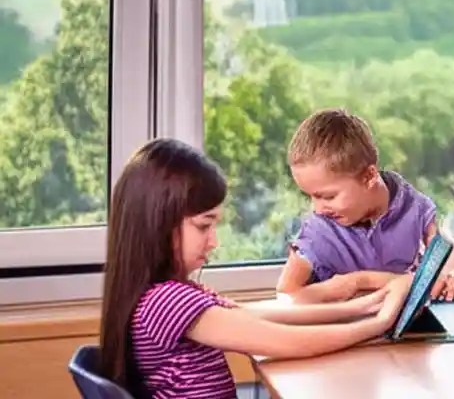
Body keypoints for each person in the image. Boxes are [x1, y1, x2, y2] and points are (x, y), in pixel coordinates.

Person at [99, 138, 411, 399]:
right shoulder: (168, 302)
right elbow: (286, 342)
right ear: (159, 222)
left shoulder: (170, 296)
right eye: (203, 226)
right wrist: (379, 324)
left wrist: (369, 304)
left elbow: (261, 315)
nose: (213, 242)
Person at [276, 108, 454, 303]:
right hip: (347, 329)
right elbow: (285, 295)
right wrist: (356, 283)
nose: (317, 209)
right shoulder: (318, 231)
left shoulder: (411, 204)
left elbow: (445, 247)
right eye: (311, 197)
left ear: (369, 177)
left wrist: (450, 271)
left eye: (328, 196)